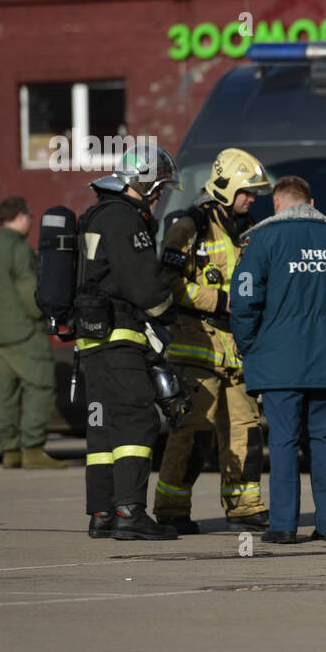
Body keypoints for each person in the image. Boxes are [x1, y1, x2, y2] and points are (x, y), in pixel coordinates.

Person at [230, 175, 326, 544]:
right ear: (311, 204)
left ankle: (283, 526)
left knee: (283, 442)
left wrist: (250, 345)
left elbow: (244, 299)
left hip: (277, 362)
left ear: (278, 205)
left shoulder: (262, 242)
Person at [153, 148, 273, 535]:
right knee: (192, 431)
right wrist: (221, 301)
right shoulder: (189, 226)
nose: (251, 200)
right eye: (246, 192)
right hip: (196, 346)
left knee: (245, 429)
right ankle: (172, 508)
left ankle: (244, 507)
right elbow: (168, 284)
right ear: (226, 188)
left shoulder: (246, 227)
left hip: (236, 348)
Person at [78, 144, 183, 542]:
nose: (159, 196)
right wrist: (170, 310)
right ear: (143, 183)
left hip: (92, 339)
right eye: (157, 188)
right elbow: (146, 287)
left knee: (103, 427)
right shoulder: (124, 219)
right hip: (120, 335)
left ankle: (103, 513)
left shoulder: (96, 214)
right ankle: (130, 513)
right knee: (136, 418)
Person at [0, 196, 65, 469]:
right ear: (21, 216)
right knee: (41, 385)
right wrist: (49, 315)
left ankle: (9, 449)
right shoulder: (19, 248)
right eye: (30, 217)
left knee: (6, 391)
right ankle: (33, 449)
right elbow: (29, 292)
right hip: (25, 331)